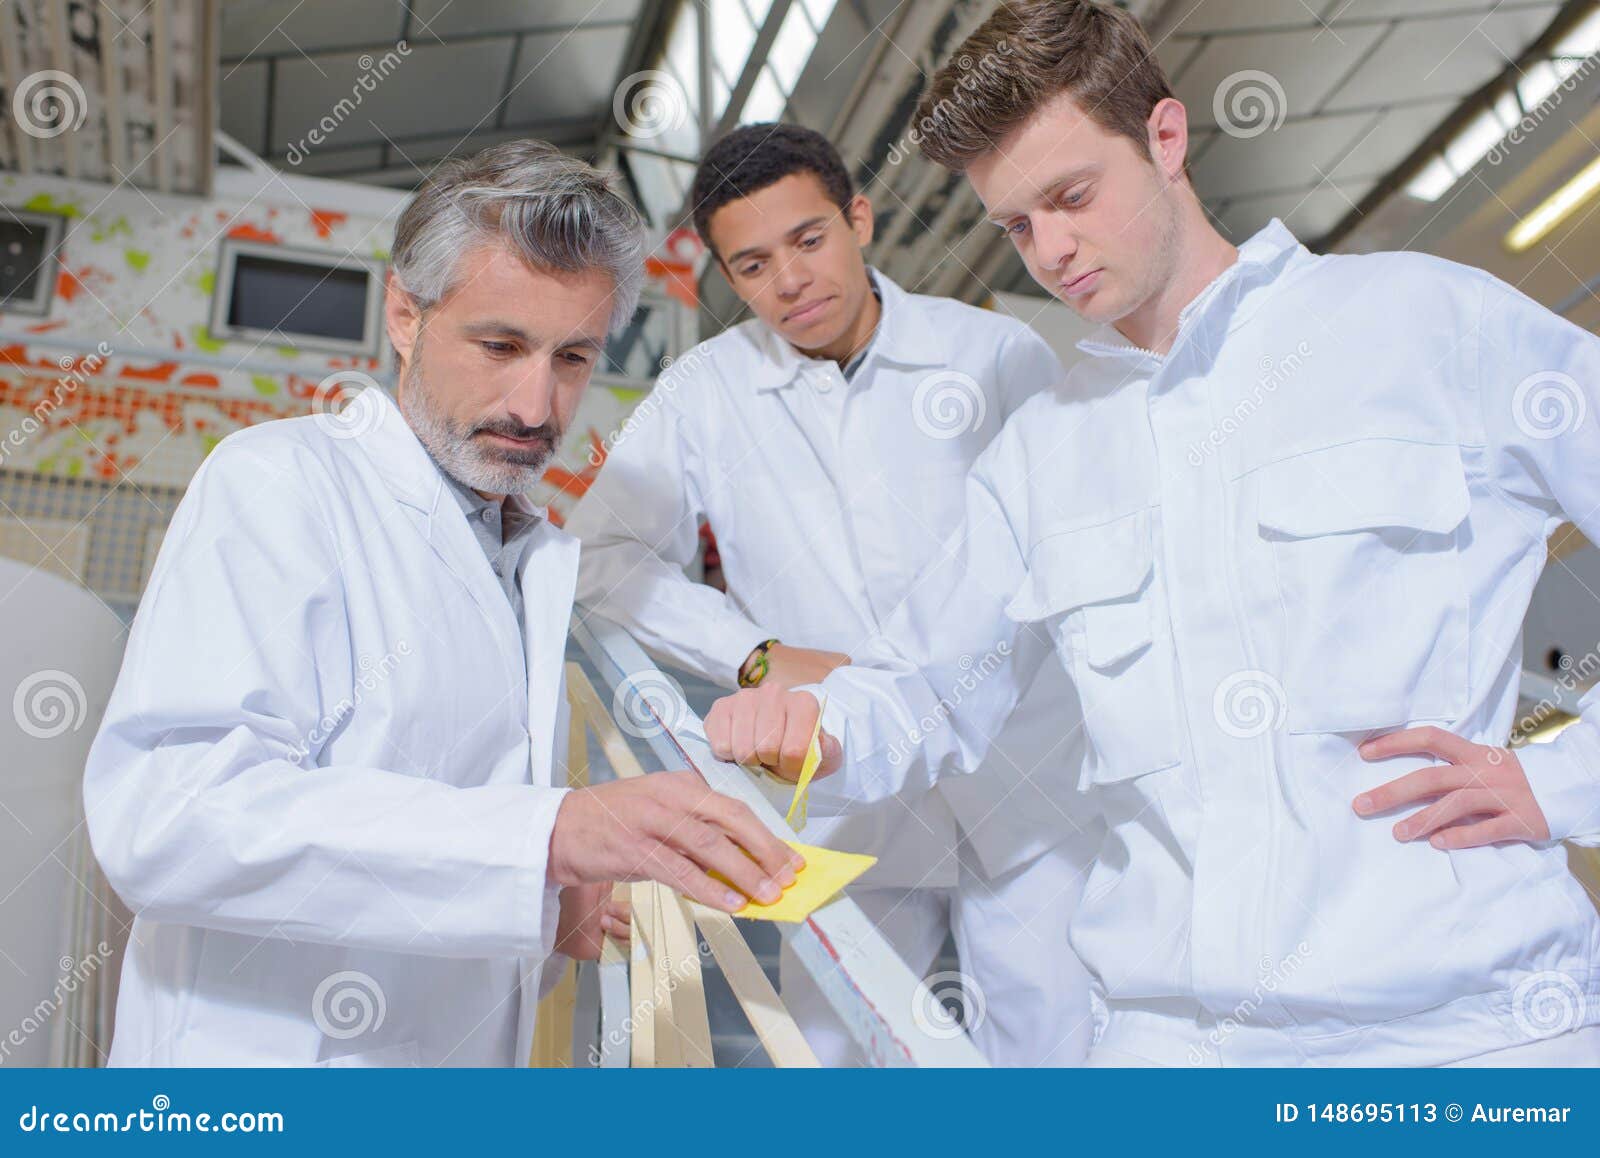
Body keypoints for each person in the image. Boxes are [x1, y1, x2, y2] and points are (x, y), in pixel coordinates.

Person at [703, 0, 1600, 1066]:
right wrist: (810, 726)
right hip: (1168, 1043)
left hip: (1466, 1033)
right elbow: (923, 691)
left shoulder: (1423, 323)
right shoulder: (1041, 452)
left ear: (1165, 137)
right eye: (1015, 226)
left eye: (1071, 197)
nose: (1050, 250)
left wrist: (1562, 781)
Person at [83, 141, 800, 1067]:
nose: (535, 406)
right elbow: (169, 822)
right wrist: (550, 836)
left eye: (573, 357)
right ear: (404, 315)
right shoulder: (276, 484)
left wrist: (541, 898)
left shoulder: (522, 552)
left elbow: (453, 823)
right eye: (500, 346)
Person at [567, 123, 1101, 1065]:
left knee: (1051, 1055)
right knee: (834, 1060)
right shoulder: (706, 391)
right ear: (727, 276)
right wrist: (751, 655)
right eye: (753, 265)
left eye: (809, 240)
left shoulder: (995, 356)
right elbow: (602, 554)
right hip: (839, 786)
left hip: (1022, 774)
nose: (790, 280)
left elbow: (1075, 551)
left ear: (858, 219)